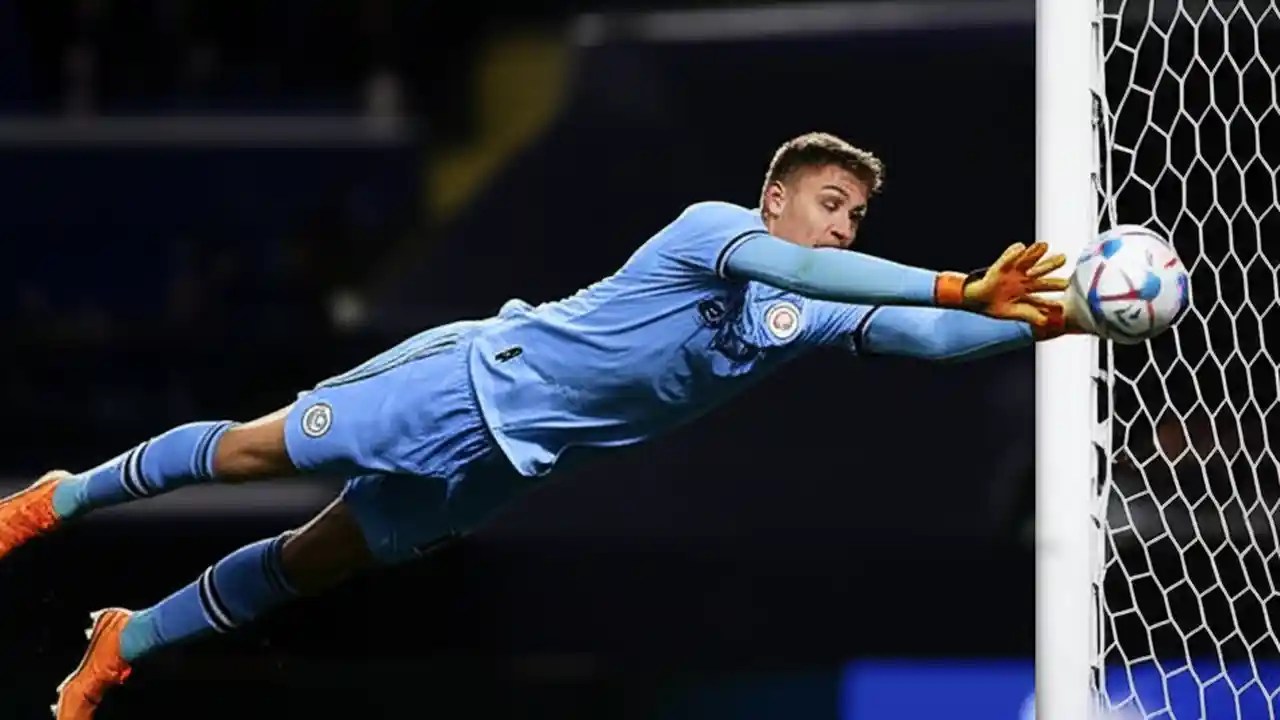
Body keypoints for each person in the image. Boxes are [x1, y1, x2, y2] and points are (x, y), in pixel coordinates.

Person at [0, 131, 1083, 718]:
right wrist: (954, 283)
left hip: (518, 459)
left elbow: (923, 341)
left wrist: (1049, 320)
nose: (841, 221)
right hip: (470, 382)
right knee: (250, 451)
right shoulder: (716, 232)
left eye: (855, 211)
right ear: (774, 198)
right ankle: (60, 497)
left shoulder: (795, 318)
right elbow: (822, 271)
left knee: (316, 559)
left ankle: (125, 639)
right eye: (830, 199)